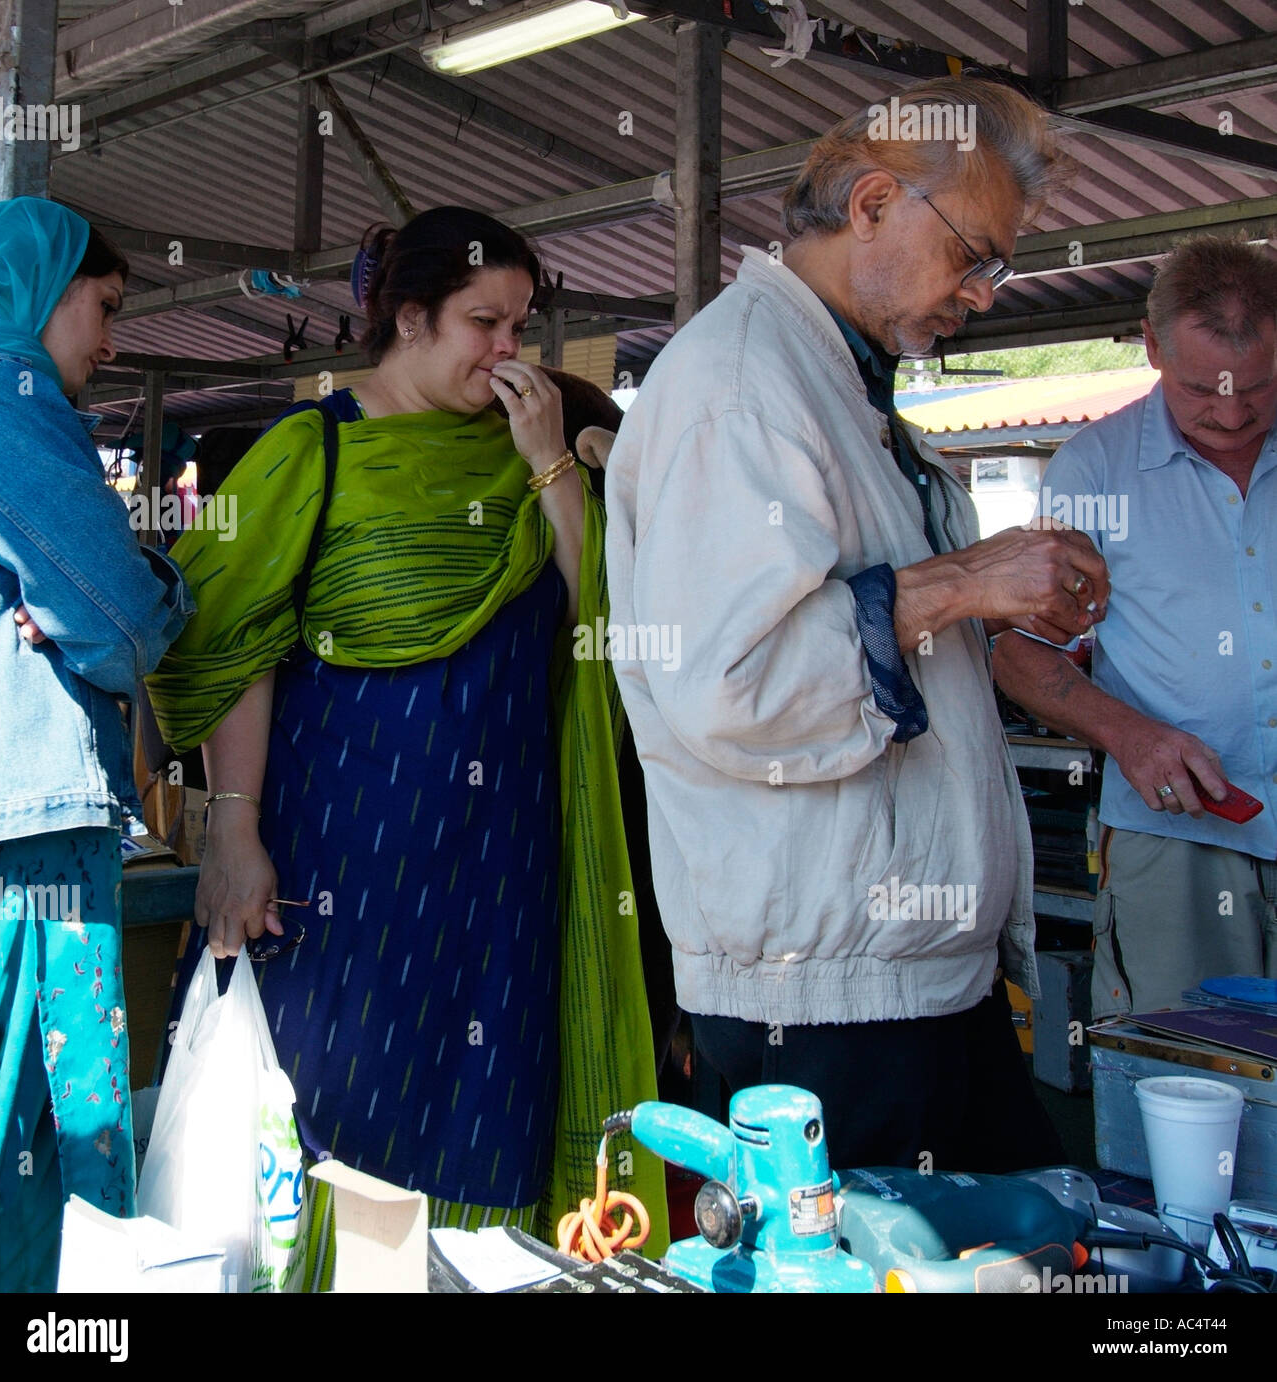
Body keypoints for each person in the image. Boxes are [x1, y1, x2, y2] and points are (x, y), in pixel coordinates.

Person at [604, 77, 1110, 1172]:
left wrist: (991, 599)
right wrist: (961, 581)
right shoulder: (739, 384)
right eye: (975, 254)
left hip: (909, 969)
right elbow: (729, 684)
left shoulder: (844, 382)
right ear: (874, 204)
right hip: (826, 989)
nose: (982, 293)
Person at [146, 208, 665, 1256]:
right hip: (343, 865)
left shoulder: (530, 453)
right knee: (336, 1120)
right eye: (486, 322)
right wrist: (233, 828)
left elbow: (594, 619)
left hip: (507, 869)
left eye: (521, 326)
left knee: (488, 1116)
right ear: (411, 318)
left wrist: (550, 466)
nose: (509, 350)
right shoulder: (314, 451)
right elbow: (223, 642)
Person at [0, 197, 192, 1291]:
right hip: (20, 837)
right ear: (37, 286)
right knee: (49, 1141)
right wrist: (154, 582)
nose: (112, 344)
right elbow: (115, 618)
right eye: (103, 306)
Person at [993, 234, 1277, 1017]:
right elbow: (1021, 651)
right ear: (1150, 346)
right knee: (1191, 1071)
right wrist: (1127, 734)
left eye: (1256, 387)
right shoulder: (1094, 470)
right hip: (1174, 837)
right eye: (1198, 388)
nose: (1228, 412)